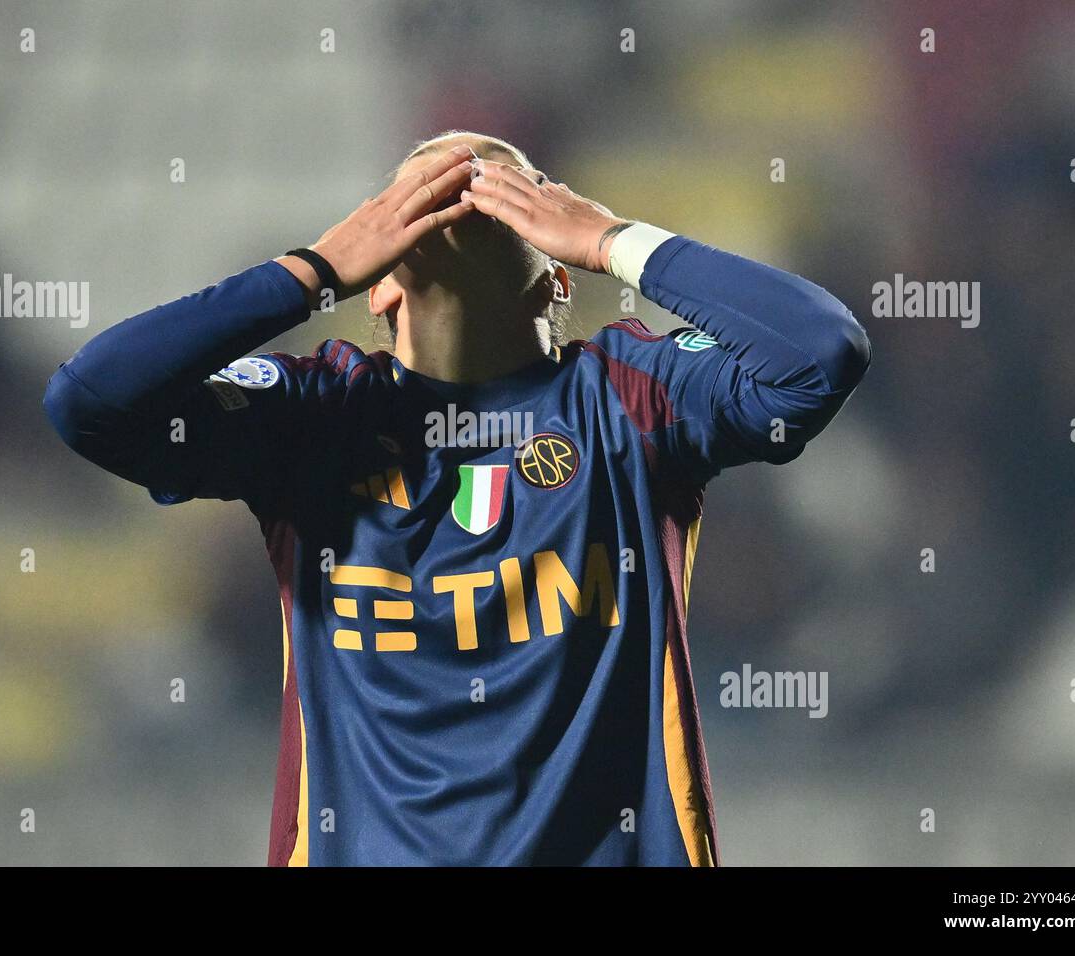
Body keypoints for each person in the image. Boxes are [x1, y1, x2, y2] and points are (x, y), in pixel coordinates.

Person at [44, 130, 871, 866]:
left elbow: (820, 352)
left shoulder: (632, 399)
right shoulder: (314, 418)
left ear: (555, 282)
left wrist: (614, 239)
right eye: (420, 188)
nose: (464, 178)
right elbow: (89, 403)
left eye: (512, 183)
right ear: (381, 284)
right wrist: (311, 271)